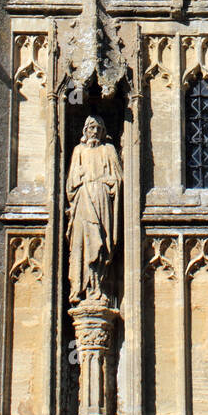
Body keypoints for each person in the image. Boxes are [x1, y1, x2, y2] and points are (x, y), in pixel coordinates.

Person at [66, 116, 122, 304]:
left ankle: (99, 287)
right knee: (83, 245)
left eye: (98, 128)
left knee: (102, 247)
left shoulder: (109, 150)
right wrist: (79, 179)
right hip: (83, 201)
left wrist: (109, 183)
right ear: (85, 130)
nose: (95, 131)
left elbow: (118, 179)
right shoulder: (78, 151)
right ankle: (82, 289)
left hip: (102, 200)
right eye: (91, 128)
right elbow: (70, 185)